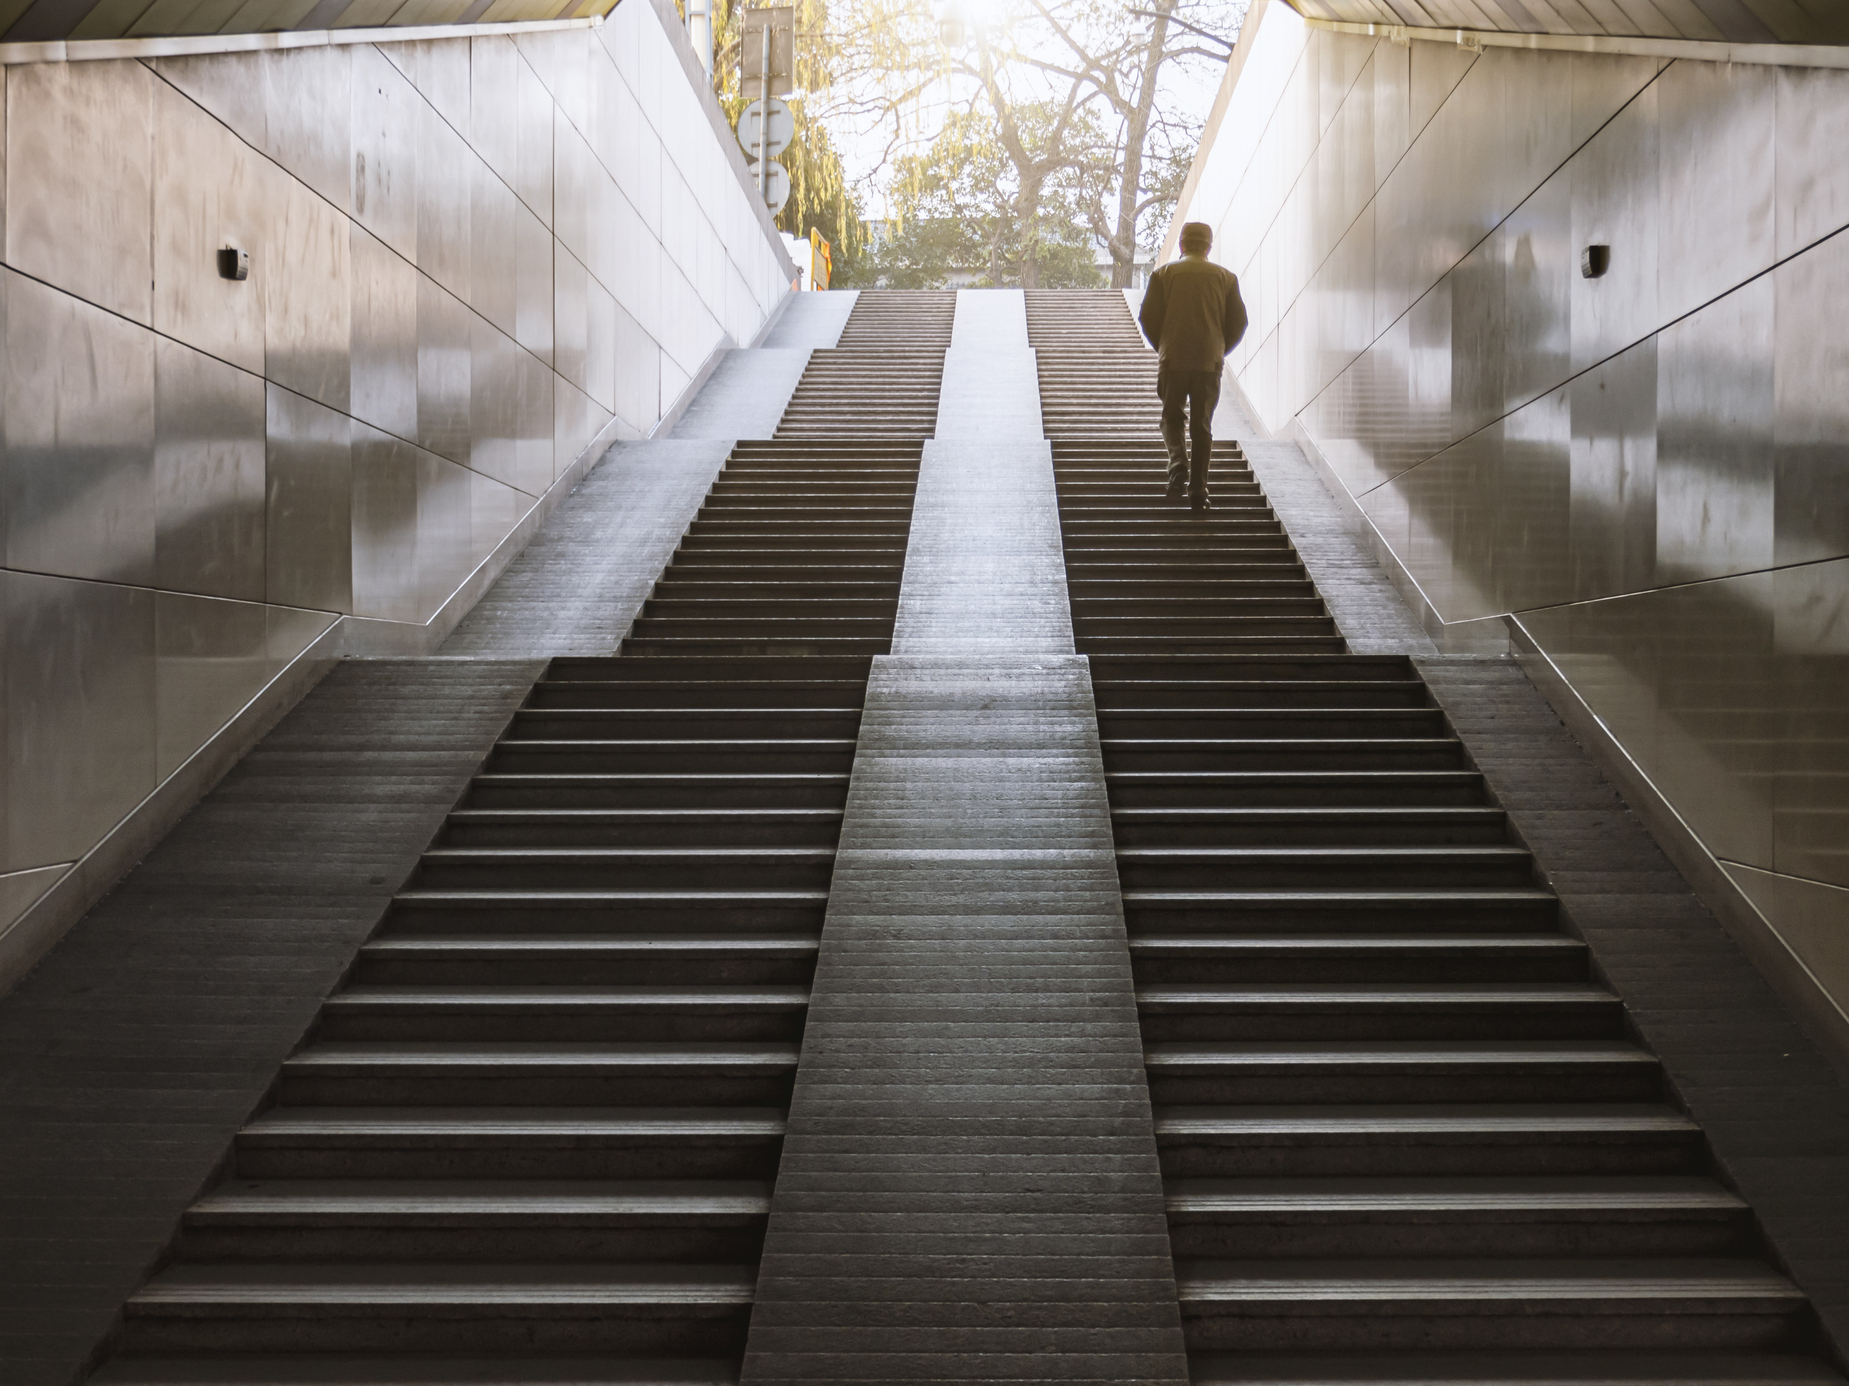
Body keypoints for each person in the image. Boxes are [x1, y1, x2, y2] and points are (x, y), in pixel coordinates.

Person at [1137, 221, 1248, 512]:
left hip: (1172, 359)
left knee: (1171, 418)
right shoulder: (1226, 277)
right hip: (1209, 363)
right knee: (1202, 426)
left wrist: (1163, 346)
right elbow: (1239, 323)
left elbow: (1147, 317)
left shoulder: (1163, 274)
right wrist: (1219, 350)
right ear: (1209, 247)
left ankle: (1177, 466)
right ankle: (1198, 491)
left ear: (1182, 245)